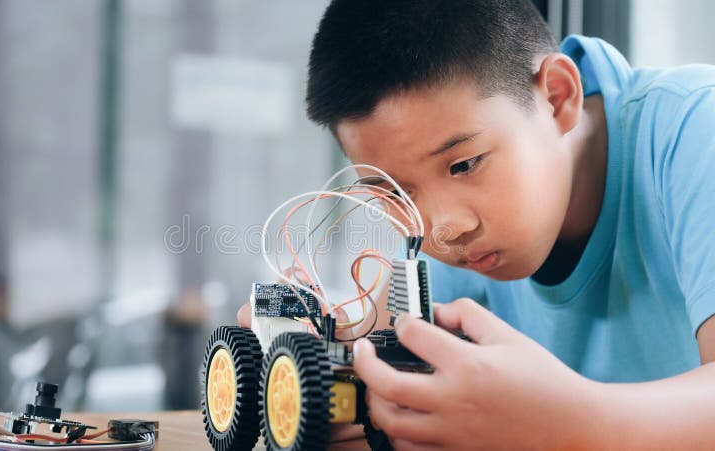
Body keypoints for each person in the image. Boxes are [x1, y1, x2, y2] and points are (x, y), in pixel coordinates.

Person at [239, 0, 715, 448]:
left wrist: (564, 423)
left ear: (556, 96)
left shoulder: (694, 128)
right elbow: (373, 360)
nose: (441, 229)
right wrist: (327, 378)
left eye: (464, 165)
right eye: (394, 193)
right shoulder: (435, 231)